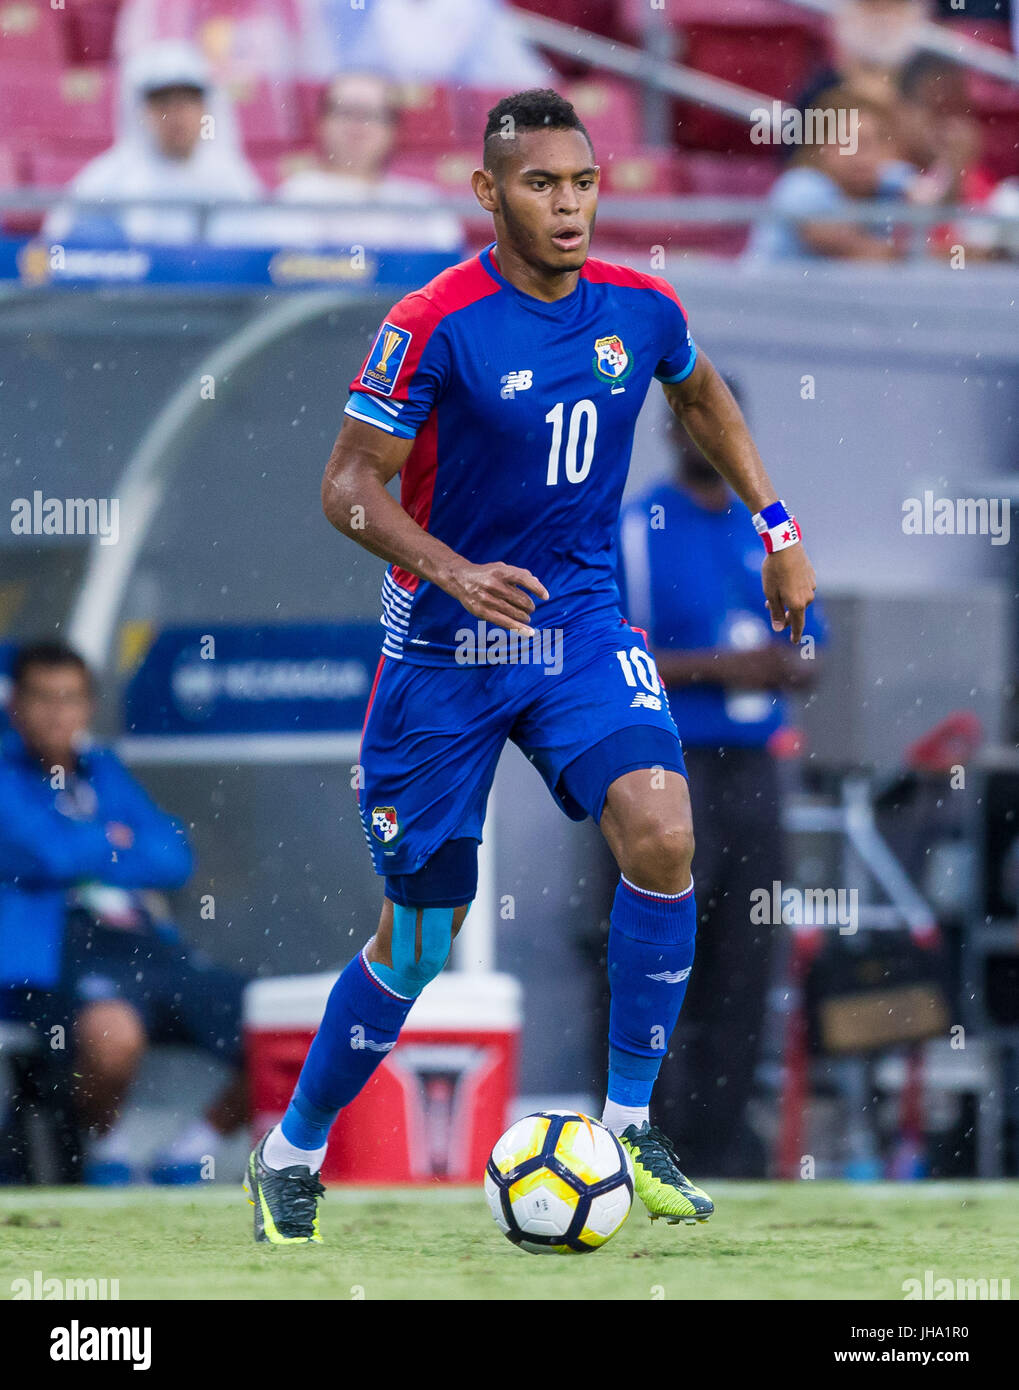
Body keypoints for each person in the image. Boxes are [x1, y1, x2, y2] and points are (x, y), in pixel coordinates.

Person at [243, 87, 817, 1244]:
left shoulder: (641, 307)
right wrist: (448, 566)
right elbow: (345, 484)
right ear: (488, 192)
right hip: (444, 653)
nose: (566, 207)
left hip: (575, 630)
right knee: (419, 938)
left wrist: (777, 524)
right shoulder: (433, 319)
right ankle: (291, 1151)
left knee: (661, 829)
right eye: (540, 185)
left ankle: (626, 1125)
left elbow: (697, 391)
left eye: (583, 182)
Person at [618, 396, 825, 1177]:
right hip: (660, 765)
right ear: (673, 430)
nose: (702, 434)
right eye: (691, 420)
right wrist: (716, 667)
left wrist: (788, 664)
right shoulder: (637, 528)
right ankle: (646, 1135)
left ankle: (727, 1147)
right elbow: (603, 653)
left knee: (747, 956)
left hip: (752, 770)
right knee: (656, 948)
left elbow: (815, 643)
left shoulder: (767, 534)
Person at [0, 642, 248, 1184]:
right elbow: (43, 851)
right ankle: (106, 1152)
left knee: (281, 1029)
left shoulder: (103, 768)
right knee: (112, 1034)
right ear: (15, 705)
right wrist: (117, 842)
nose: (56, 712)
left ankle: (190, 1152)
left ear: (88, 706)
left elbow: (174, 856)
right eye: (42, 698)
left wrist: (91, 845)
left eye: (69, 698)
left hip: (144, 946)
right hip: (52, 956)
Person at [44, 40, 262, 248]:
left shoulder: (232, 179)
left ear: (206, 108)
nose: (177, 115)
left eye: (187, 102)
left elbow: (263, 255)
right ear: (143, 111)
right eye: (163, 103)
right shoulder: (108, 180)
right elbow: (59, 244)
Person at [272, 72, 462, 252]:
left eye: (372, 115)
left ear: (394, 131)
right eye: (345, 112)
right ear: (321, 123)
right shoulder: (295, 196)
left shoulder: (422, 204)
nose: (358, 126)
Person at [744, 88, 921, 262]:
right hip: (768, 291)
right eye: (845, 142)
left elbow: (933, 201)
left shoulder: (894, 183)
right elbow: (855, 251)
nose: (858, 155)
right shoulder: (801, 185)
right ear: (822, 147)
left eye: (870, 143)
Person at [305, 0, 550, 88]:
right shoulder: (349, 7)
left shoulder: (481, 10)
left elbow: (529, 81)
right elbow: (321, 81)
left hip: (456, 142)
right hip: (370, 132)